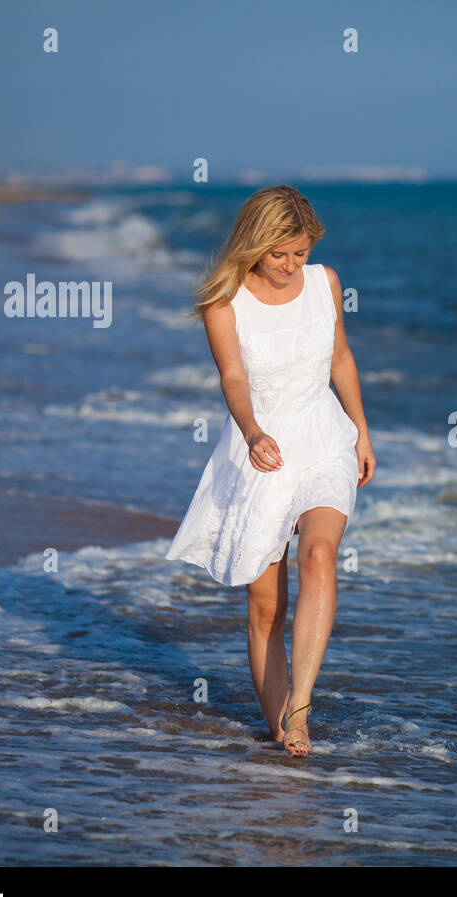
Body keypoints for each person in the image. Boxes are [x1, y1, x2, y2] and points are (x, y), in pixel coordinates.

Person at [166, 185, 376, 756]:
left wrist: (361, 431)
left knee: (321, 553)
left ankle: (301, 712)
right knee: (266, 608)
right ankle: (279, 727)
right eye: (278, 254)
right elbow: (233, 378)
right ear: (253, 244)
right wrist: (253, 431)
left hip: (323, 437)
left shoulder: (325, 283)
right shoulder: (224, 302)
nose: (289, 266)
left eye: (300, 253)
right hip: (261, 447)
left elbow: (340, 359)